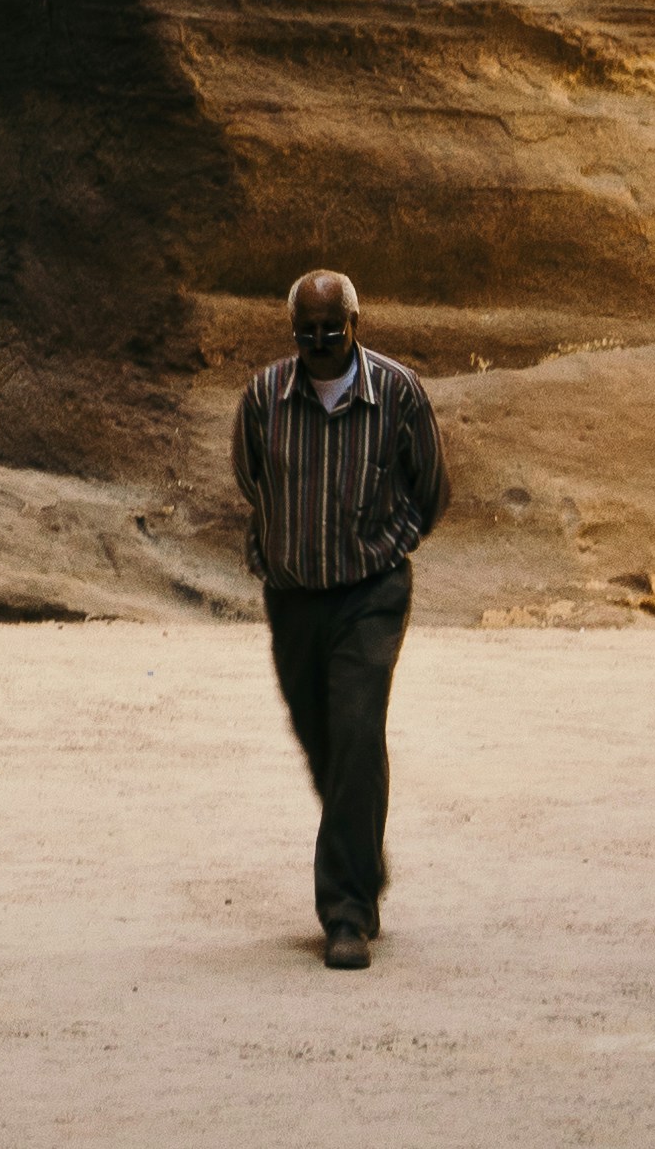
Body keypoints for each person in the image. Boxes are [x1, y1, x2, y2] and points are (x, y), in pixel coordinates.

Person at [231, 266, 450, 969]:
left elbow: (431, 487)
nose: (320, 341)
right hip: (293, 595)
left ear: (357, 323)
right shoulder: (264, 395)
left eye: (332, 328)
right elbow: (248, 477)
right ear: (292, 330)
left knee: (356, 729)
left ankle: (346, 913)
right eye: (307, 330)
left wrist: (388, 544)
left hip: (369, 594)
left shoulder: (396, 392)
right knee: (321, 741)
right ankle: (362, 851)